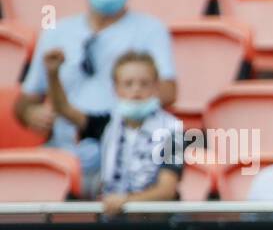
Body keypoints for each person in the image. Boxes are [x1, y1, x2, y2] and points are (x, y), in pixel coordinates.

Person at [15, 0, 176, 194]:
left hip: (122, 148)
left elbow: (168, 91)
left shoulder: (151, 29)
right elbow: (27, 100)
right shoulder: (56, 32)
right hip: (62, 152)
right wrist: (30, 112)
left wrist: (128, 112)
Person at [43, 49, 180, 214]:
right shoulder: (108, 125)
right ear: (115, 89)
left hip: (156, 225)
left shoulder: (175, 131)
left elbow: (167, 190)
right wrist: (52, 74)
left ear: (156, 87)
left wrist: (125, 202)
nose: (136, 90)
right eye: (128, 83)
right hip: (113, 221)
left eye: (144, 83)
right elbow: (64, 110)